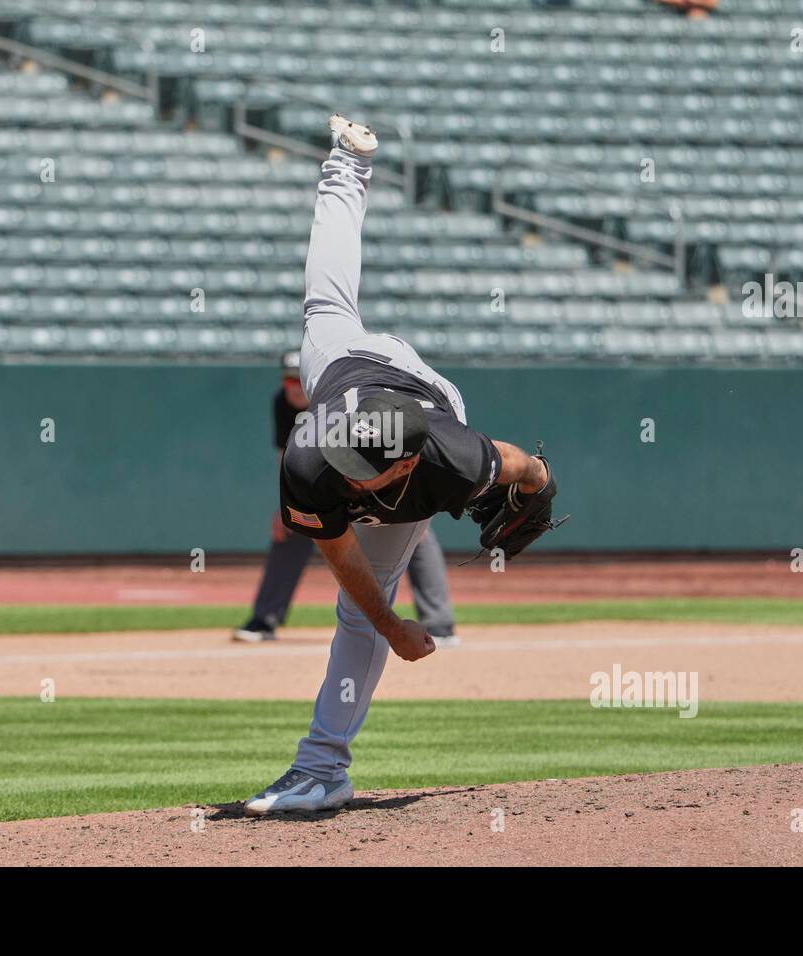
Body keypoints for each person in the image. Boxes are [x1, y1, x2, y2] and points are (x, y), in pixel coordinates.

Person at [243, 115, 562, 816]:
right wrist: (394, 625)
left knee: (356, 616)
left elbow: (520, 467)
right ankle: (347, 164)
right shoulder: (310, 456)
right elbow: (335, 547)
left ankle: (320, 768)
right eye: (344, 462)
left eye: (364, 472)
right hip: (345, 366)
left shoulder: (454, 460)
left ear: (402, 466)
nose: (349, 478)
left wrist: (539, 482)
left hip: (427, 398)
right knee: (325, 299)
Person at [233, 351, 460, 647]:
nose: (293, 386)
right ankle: (264, 620)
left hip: (374, 478)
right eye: (288, 379)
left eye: (297, 379)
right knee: (293, 527)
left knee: (417, 537)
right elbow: (284, 454)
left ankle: (439, 624)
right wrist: (284, 503)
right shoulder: (282, 403)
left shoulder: (335, 398)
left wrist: (418, 510)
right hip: (324, 484)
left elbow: (403, 445)